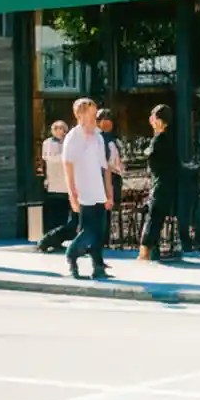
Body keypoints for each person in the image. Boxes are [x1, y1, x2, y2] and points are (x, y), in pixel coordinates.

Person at [62, 98, 114, 279]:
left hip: (98, 190)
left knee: (99, 231)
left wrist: (109, 192)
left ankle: (98, 266)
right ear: (80, 115)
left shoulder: (98, 136)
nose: (94, 117)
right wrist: (72, 193)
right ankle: (71, 255)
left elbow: (105, 166)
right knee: (88, 231)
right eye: (91, 114)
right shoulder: (73, 137)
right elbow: (67, 166)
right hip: (83, 191)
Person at [139, 105, 178, 261]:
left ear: (161, 121)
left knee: (153, 217)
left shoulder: (160, 140)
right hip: (165, 184)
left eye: (154, 117)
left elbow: (150, 156)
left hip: (160, 184)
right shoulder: (166, 139)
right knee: (157, 217)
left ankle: (145, 251)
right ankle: (152, 250)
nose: (151, 120)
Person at [37, 120, 74, 253]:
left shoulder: (68, 142)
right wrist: (66, 157)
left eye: (63, 129)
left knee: (63, 215)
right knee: (53, 214)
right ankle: (48, 240)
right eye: (57, 129)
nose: (60, 131)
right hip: (54, 184)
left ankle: (58, 241)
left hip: (66, 185)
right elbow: (49, 157)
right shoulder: (48, 143)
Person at [96, 109, 125, 252]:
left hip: (114, 177)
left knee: (108, 210)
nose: (108, 122)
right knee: (101, 210)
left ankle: (105, 239)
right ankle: (100, 240)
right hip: (101, 178)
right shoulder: (96, 139)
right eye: (104, 119)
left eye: (109, 119)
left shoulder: (114, 140)